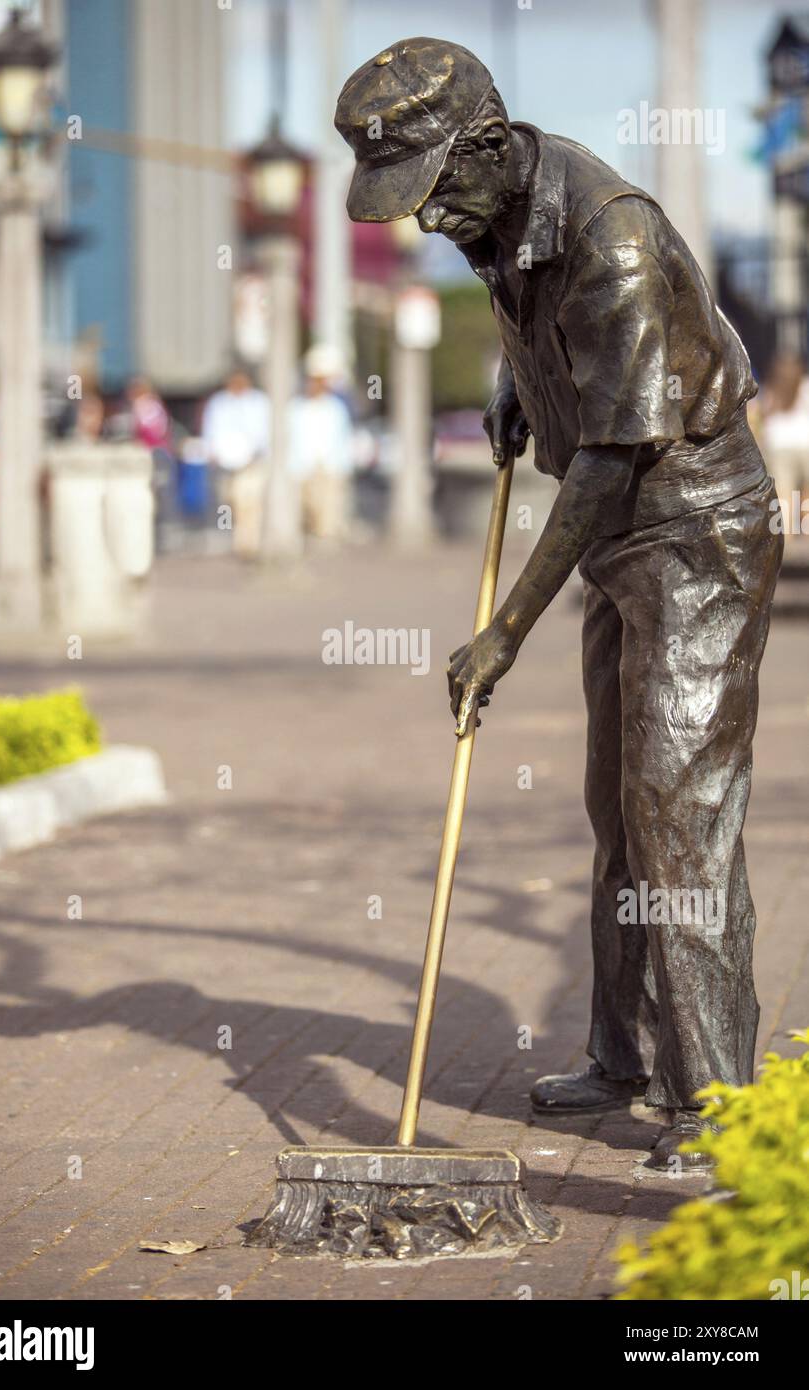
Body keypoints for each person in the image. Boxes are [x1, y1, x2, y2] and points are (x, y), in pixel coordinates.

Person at [336, 37, 783, 1170]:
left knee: (677, 810)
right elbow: (563, 347)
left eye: (432, 192)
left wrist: (503, 630)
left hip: (694, 532)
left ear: (484, 146)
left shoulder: (610, 234)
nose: (427, 221)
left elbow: (607, 462)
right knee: (615, 807)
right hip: (623, 532)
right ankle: (622, 1053)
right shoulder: (500, 213)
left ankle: (719, 1110)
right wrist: (519, 383)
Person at [201, 367, 269, 556]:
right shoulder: (219, 403)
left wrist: (256, 454)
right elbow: (210, 431)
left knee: (249, 502)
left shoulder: (259, 402)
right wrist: (212, 452)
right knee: (226, 503)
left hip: (250, 463)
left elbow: (264, 433)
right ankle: (227, 535)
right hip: (225, 464)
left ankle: (248, 543)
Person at [289, 344, 354, 539]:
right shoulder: (295, 408)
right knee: (305, 513)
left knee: (328, 517)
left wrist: (341, 466)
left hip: (329, 467)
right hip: (302, 468)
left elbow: (342, 438)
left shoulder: (336, 407)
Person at [759, 352, 809, 540]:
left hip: (779, 448)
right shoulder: (805, 386)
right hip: (805, 446)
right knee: (806, 498)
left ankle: (786, 543)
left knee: (784, 500)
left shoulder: (771, 389)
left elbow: (762, 418)